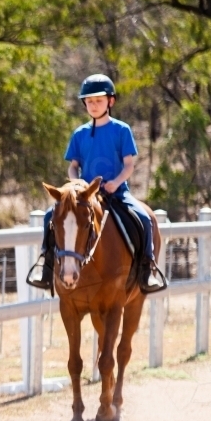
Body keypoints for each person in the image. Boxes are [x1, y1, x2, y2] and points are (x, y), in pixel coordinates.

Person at [27, 74, 166, 293]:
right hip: (85, 196)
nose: (93, 105)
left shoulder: (122, 130)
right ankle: (46, 266)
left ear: (110, 101)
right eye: (89, 101)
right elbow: (73, 166)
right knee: (48, 216)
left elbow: (129, 164)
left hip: (117, 191)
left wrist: (116, 182)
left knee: (144, 218)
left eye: (98, 100)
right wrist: (76, 184)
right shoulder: (79, 133)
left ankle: (147, 269)